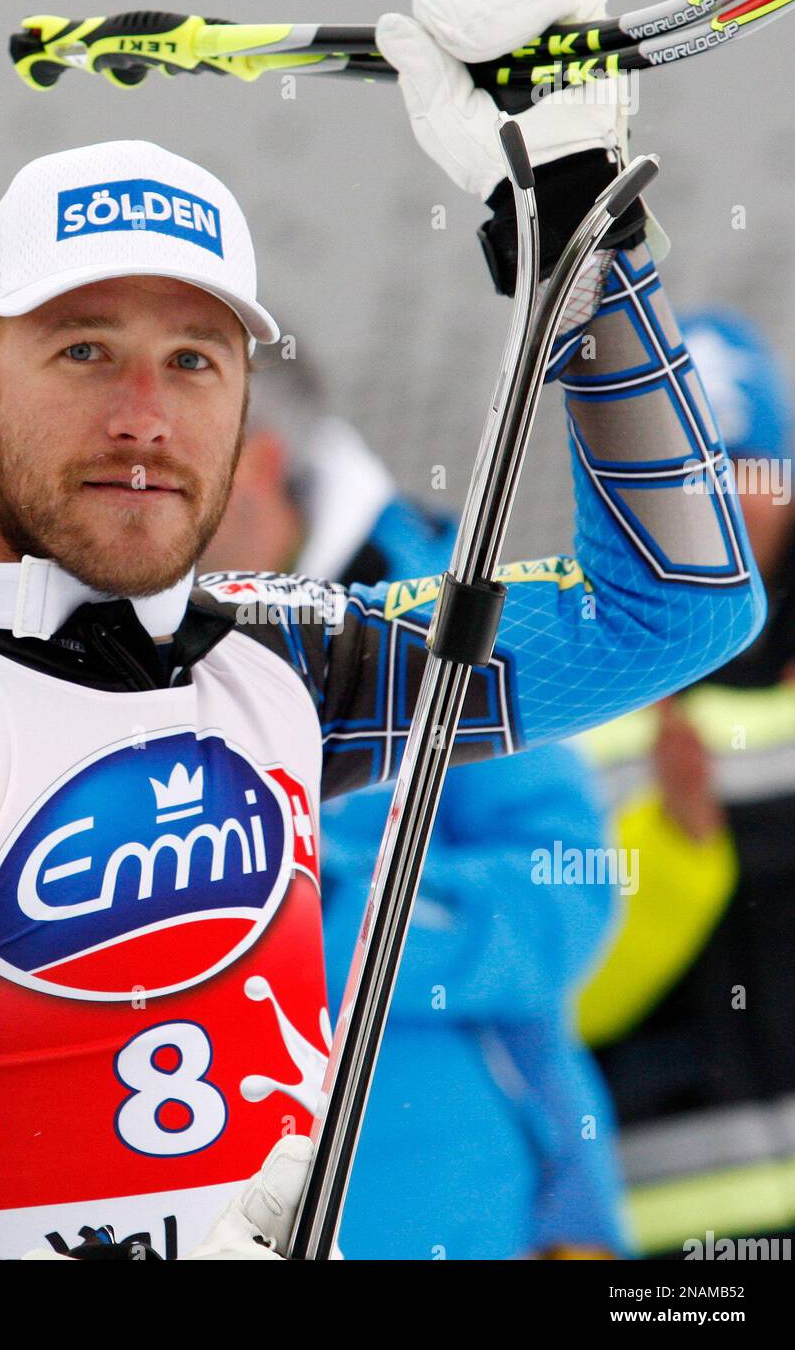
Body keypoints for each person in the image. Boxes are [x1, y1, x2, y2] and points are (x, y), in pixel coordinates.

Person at [0, 0, 765, 1261]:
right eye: (84, 349)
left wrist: (582, 215)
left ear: (247, 412)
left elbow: (672, 610)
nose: (144, 414)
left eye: (195, 359)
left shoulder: (275, 655)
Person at [202, 362, 629, 1259]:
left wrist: (316, 913)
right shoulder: (83, 653)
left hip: (461, 1221)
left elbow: (569, 896)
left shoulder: (443, 620)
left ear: (258, 463)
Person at [576, 308, 795, 1257]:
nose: (722, 503)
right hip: (667, 1220)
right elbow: (563, 992)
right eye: (684, 475)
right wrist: (672, 852)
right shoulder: (571, 716)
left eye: (746, 469)